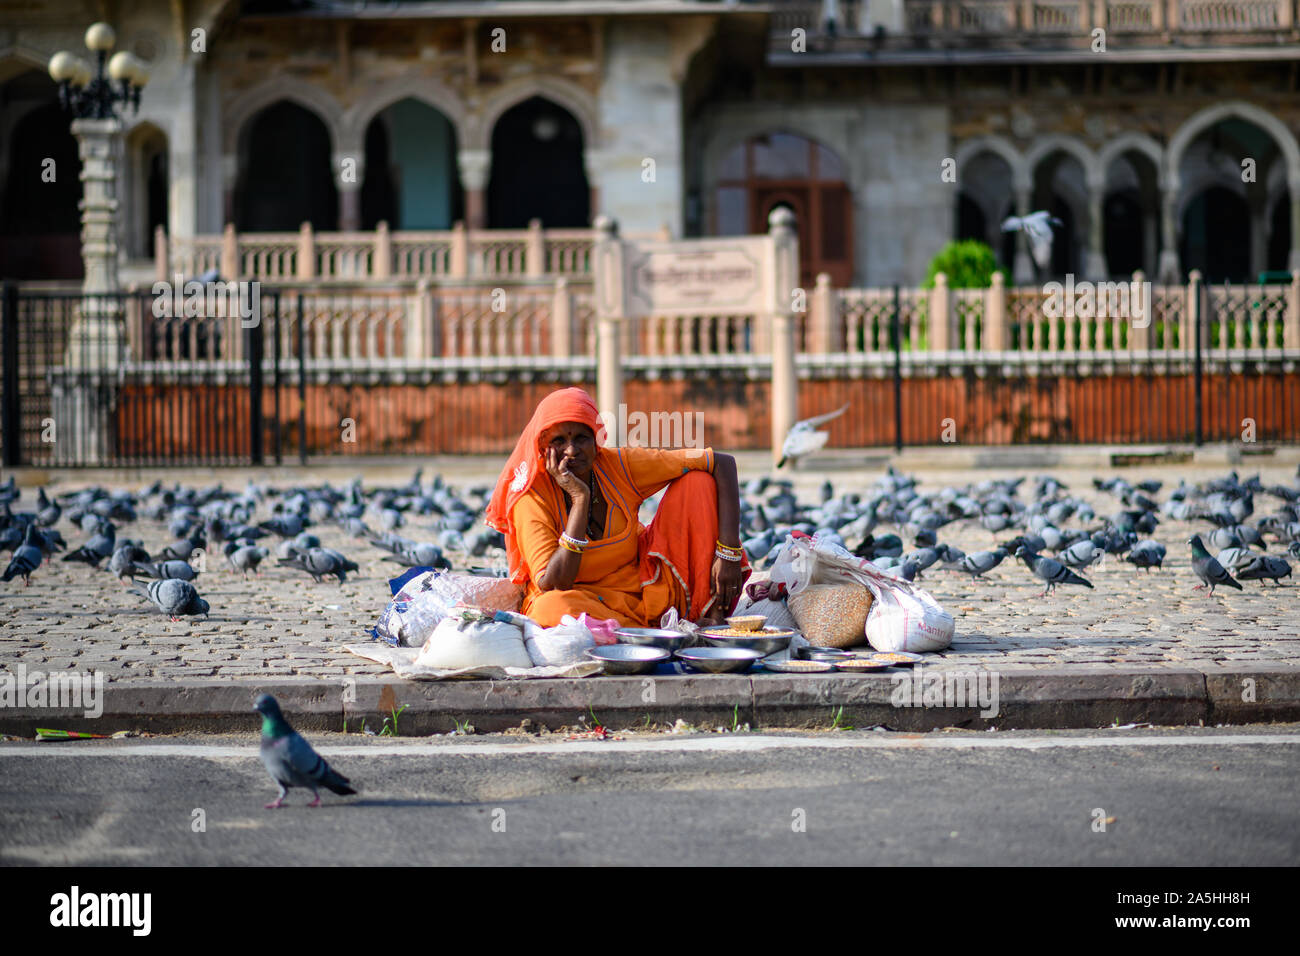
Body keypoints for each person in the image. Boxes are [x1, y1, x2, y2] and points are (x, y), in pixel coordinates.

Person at [485, 387, 747, 628]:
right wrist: (580, 499)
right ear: (542, 447)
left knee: (697, 482)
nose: (571, 450)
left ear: (597, 441)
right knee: (551, 610)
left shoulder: (618, 464)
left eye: (581, 438)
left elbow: (721, 463)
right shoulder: (532, 496)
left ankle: (702, 615)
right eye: (559, 441)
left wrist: (729, 553)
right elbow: (555, 583)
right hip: (578, 601)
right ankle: (661, 631)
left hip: (640, 592)